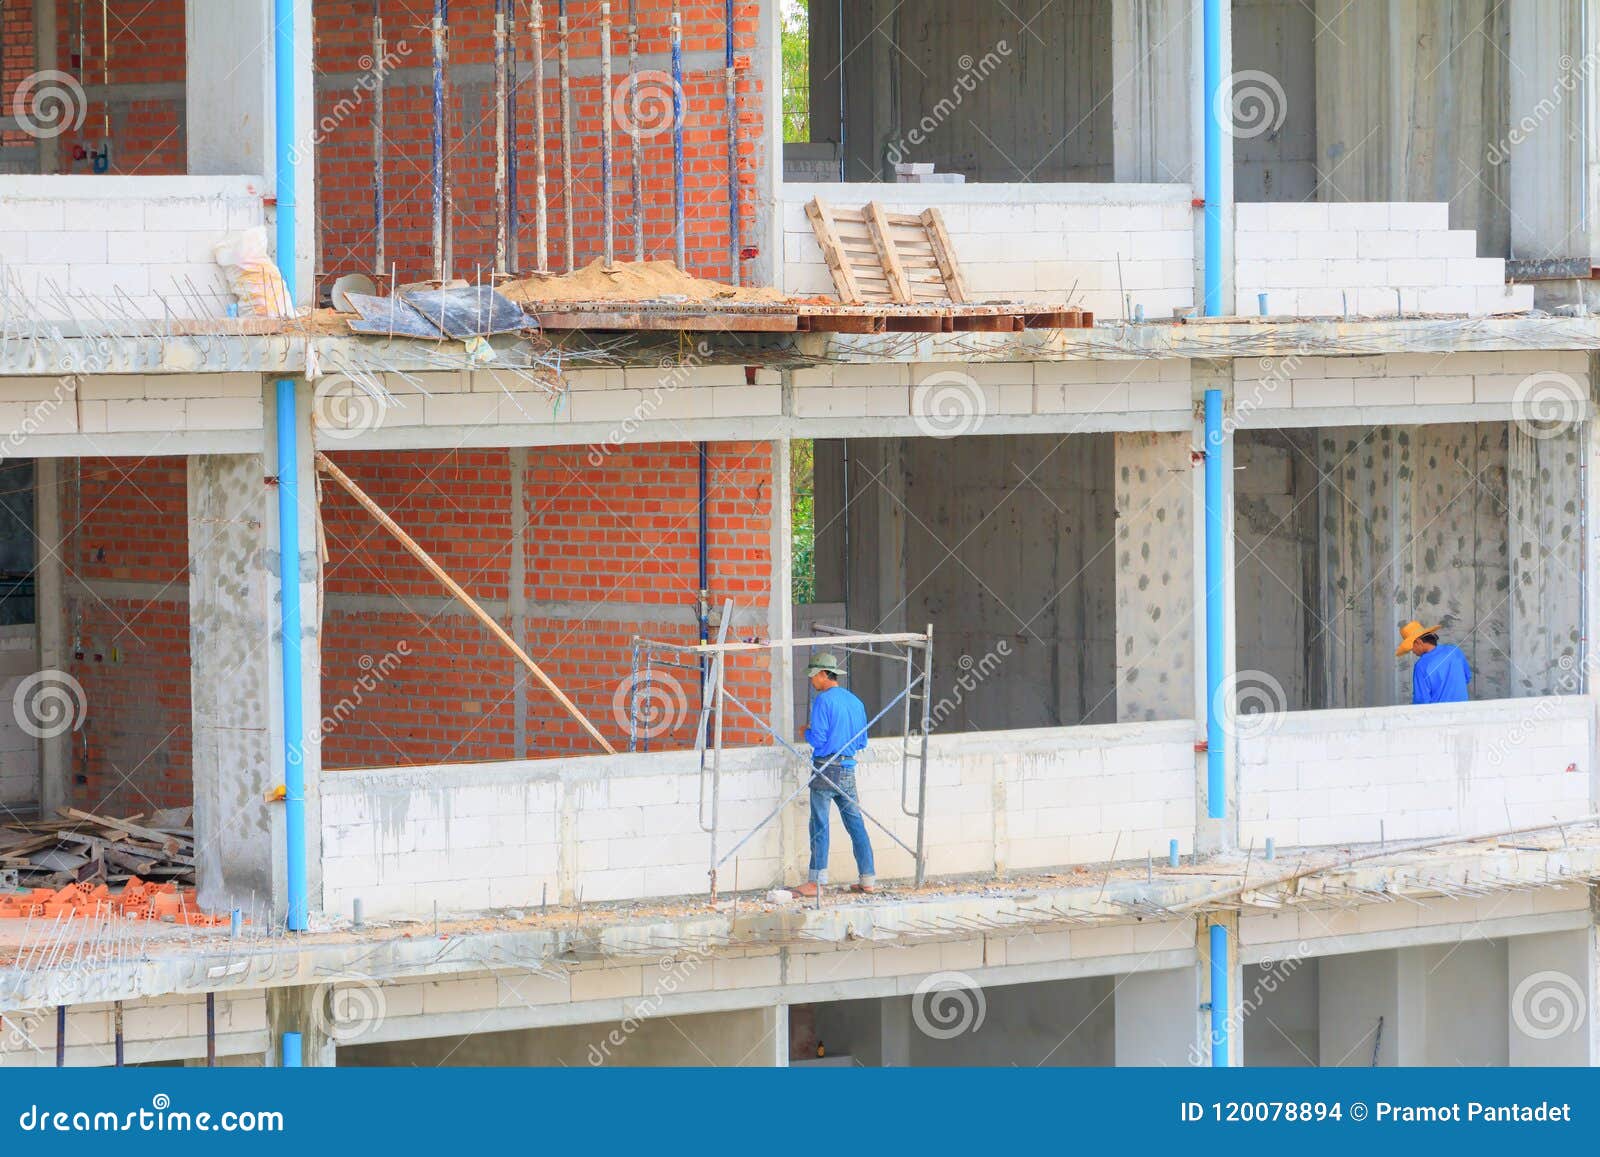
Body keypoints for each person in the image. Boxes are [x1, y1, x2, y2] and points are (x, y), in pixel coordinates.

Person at [794, 652, 875, 898]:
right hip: (848, 768)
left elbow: (818, 740)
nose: (812, 681)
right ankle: (868, 879)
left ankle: (816, 882)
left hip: (825, 767)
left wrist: (805, 732)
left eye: (813, 676)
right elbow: (862, 741)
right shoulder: (856, 701)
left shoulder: (823, 700)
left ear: (822, 674)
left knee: (819, 824)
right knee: (855, 824)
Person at [1397, 620, 1472, 704]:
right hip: (1463, 709)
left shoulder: (1421, 665)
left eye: (1412, 648)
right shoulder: (1454, 651)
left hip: (1437, 712)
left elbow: (1421, 701)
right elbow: (1467, 677)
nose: (1413, 651)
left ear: (1419, 642)